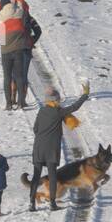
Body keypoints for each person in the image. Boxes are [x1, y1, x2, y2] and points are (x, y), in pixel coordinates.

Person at [29, 80, 90, 211]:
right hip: (51, 148)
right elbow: (75, 107)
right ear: (55, 100)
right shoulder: (58, 112)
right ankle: (52, 203)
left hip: (39, 147)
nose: (59, 102)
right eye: (58, 100)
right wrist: (85, 95)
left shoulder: (41, 111)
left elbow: (35, 129)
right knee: (52, 176)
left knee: (36, 175)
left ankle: (31, 204)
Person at [0, 0, 31, 111]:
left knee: (7, 77)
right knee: (19, 76)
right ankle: (21, 102)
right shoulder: (19, 12)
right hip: (18, 49)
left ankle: (8, 103)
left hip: (6, 51)